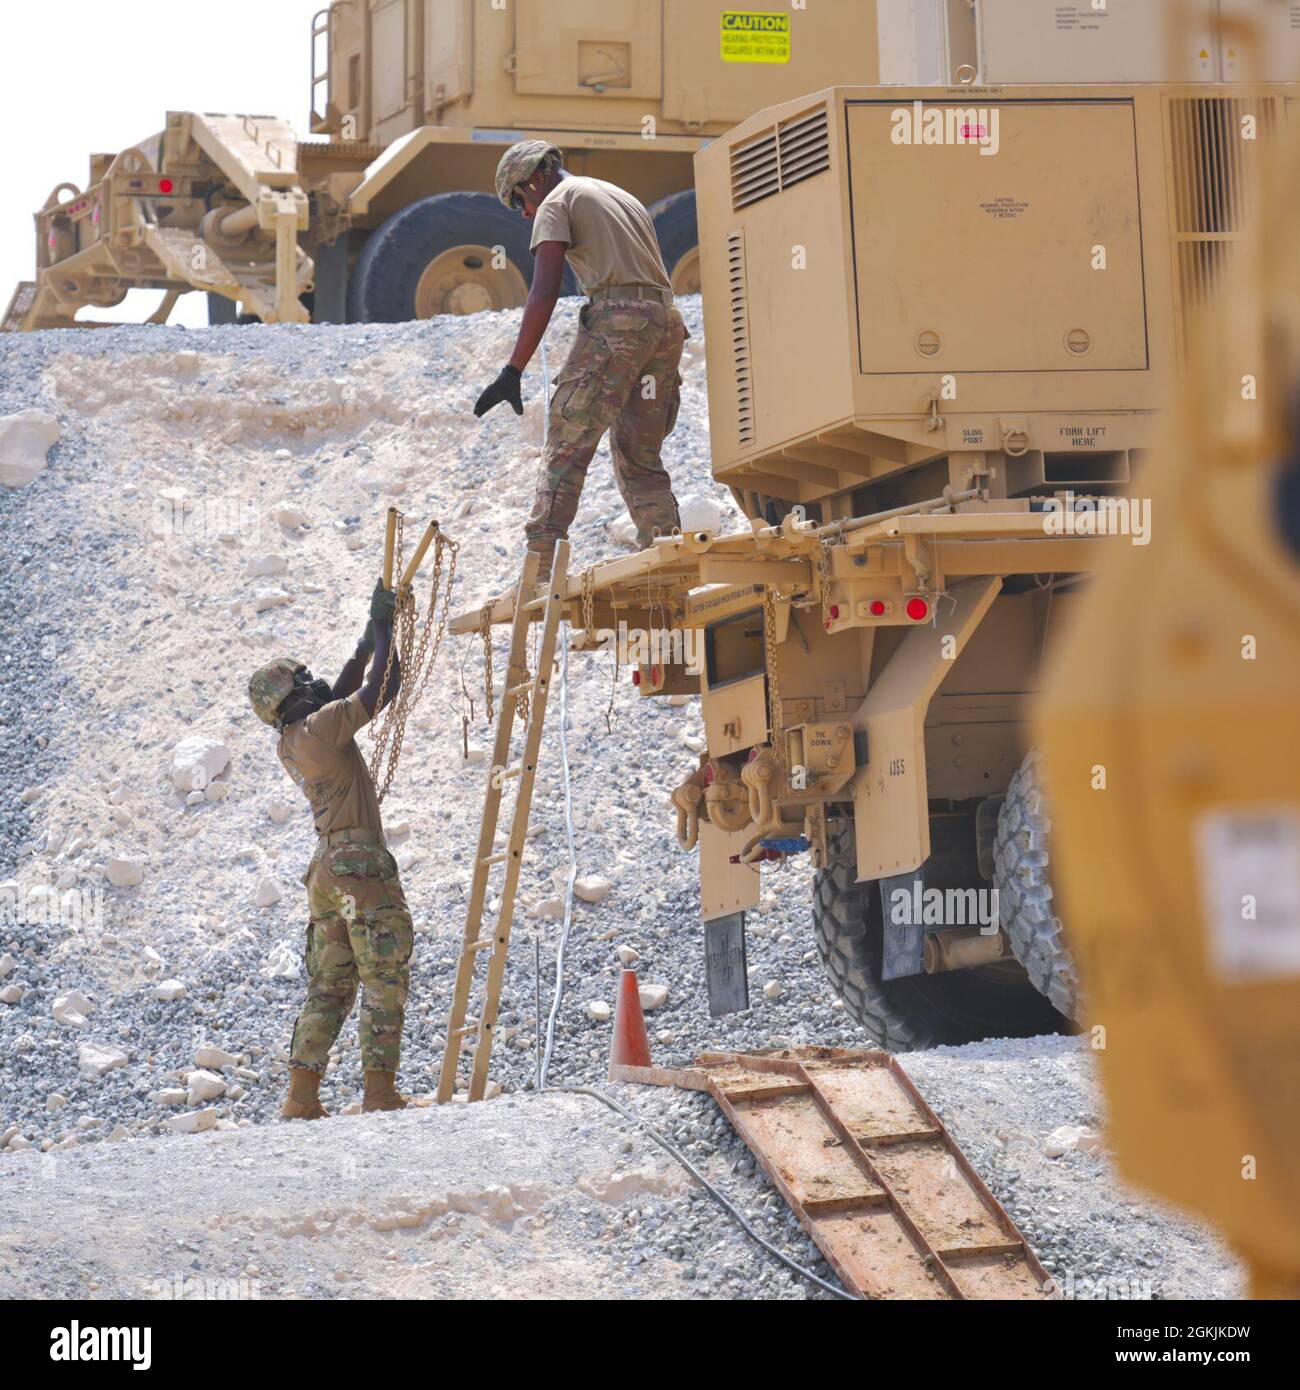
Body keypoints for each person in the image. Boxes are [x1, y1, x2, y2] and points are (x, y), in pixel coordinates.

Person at [474, 140, 687, 579]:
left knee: (567, 441)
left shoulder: (555, 201)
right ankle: (670, 563)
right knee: (639, 456)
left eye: (519, 201)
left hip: (620, 321)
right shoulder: (618, 196)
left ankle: (538, 573)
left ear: (534, 178)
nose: (525, 214)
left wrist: (512, 370)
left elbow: (544, 289)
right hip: (666, 324)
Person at [247, 580, 413, 1120]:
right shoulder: (320, 730)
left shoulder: (296, 739)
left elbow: (343, 691)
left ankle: (301, 1095)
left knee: (333, 980)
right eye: (304, 680)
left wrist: (365, 644)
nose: (314, 683)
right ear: (292, 698)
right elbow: (382, 689)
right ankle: (379, 1092)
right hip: (360, 866)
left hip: (327, 872)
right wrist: (385, 629)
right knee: (383, 970)